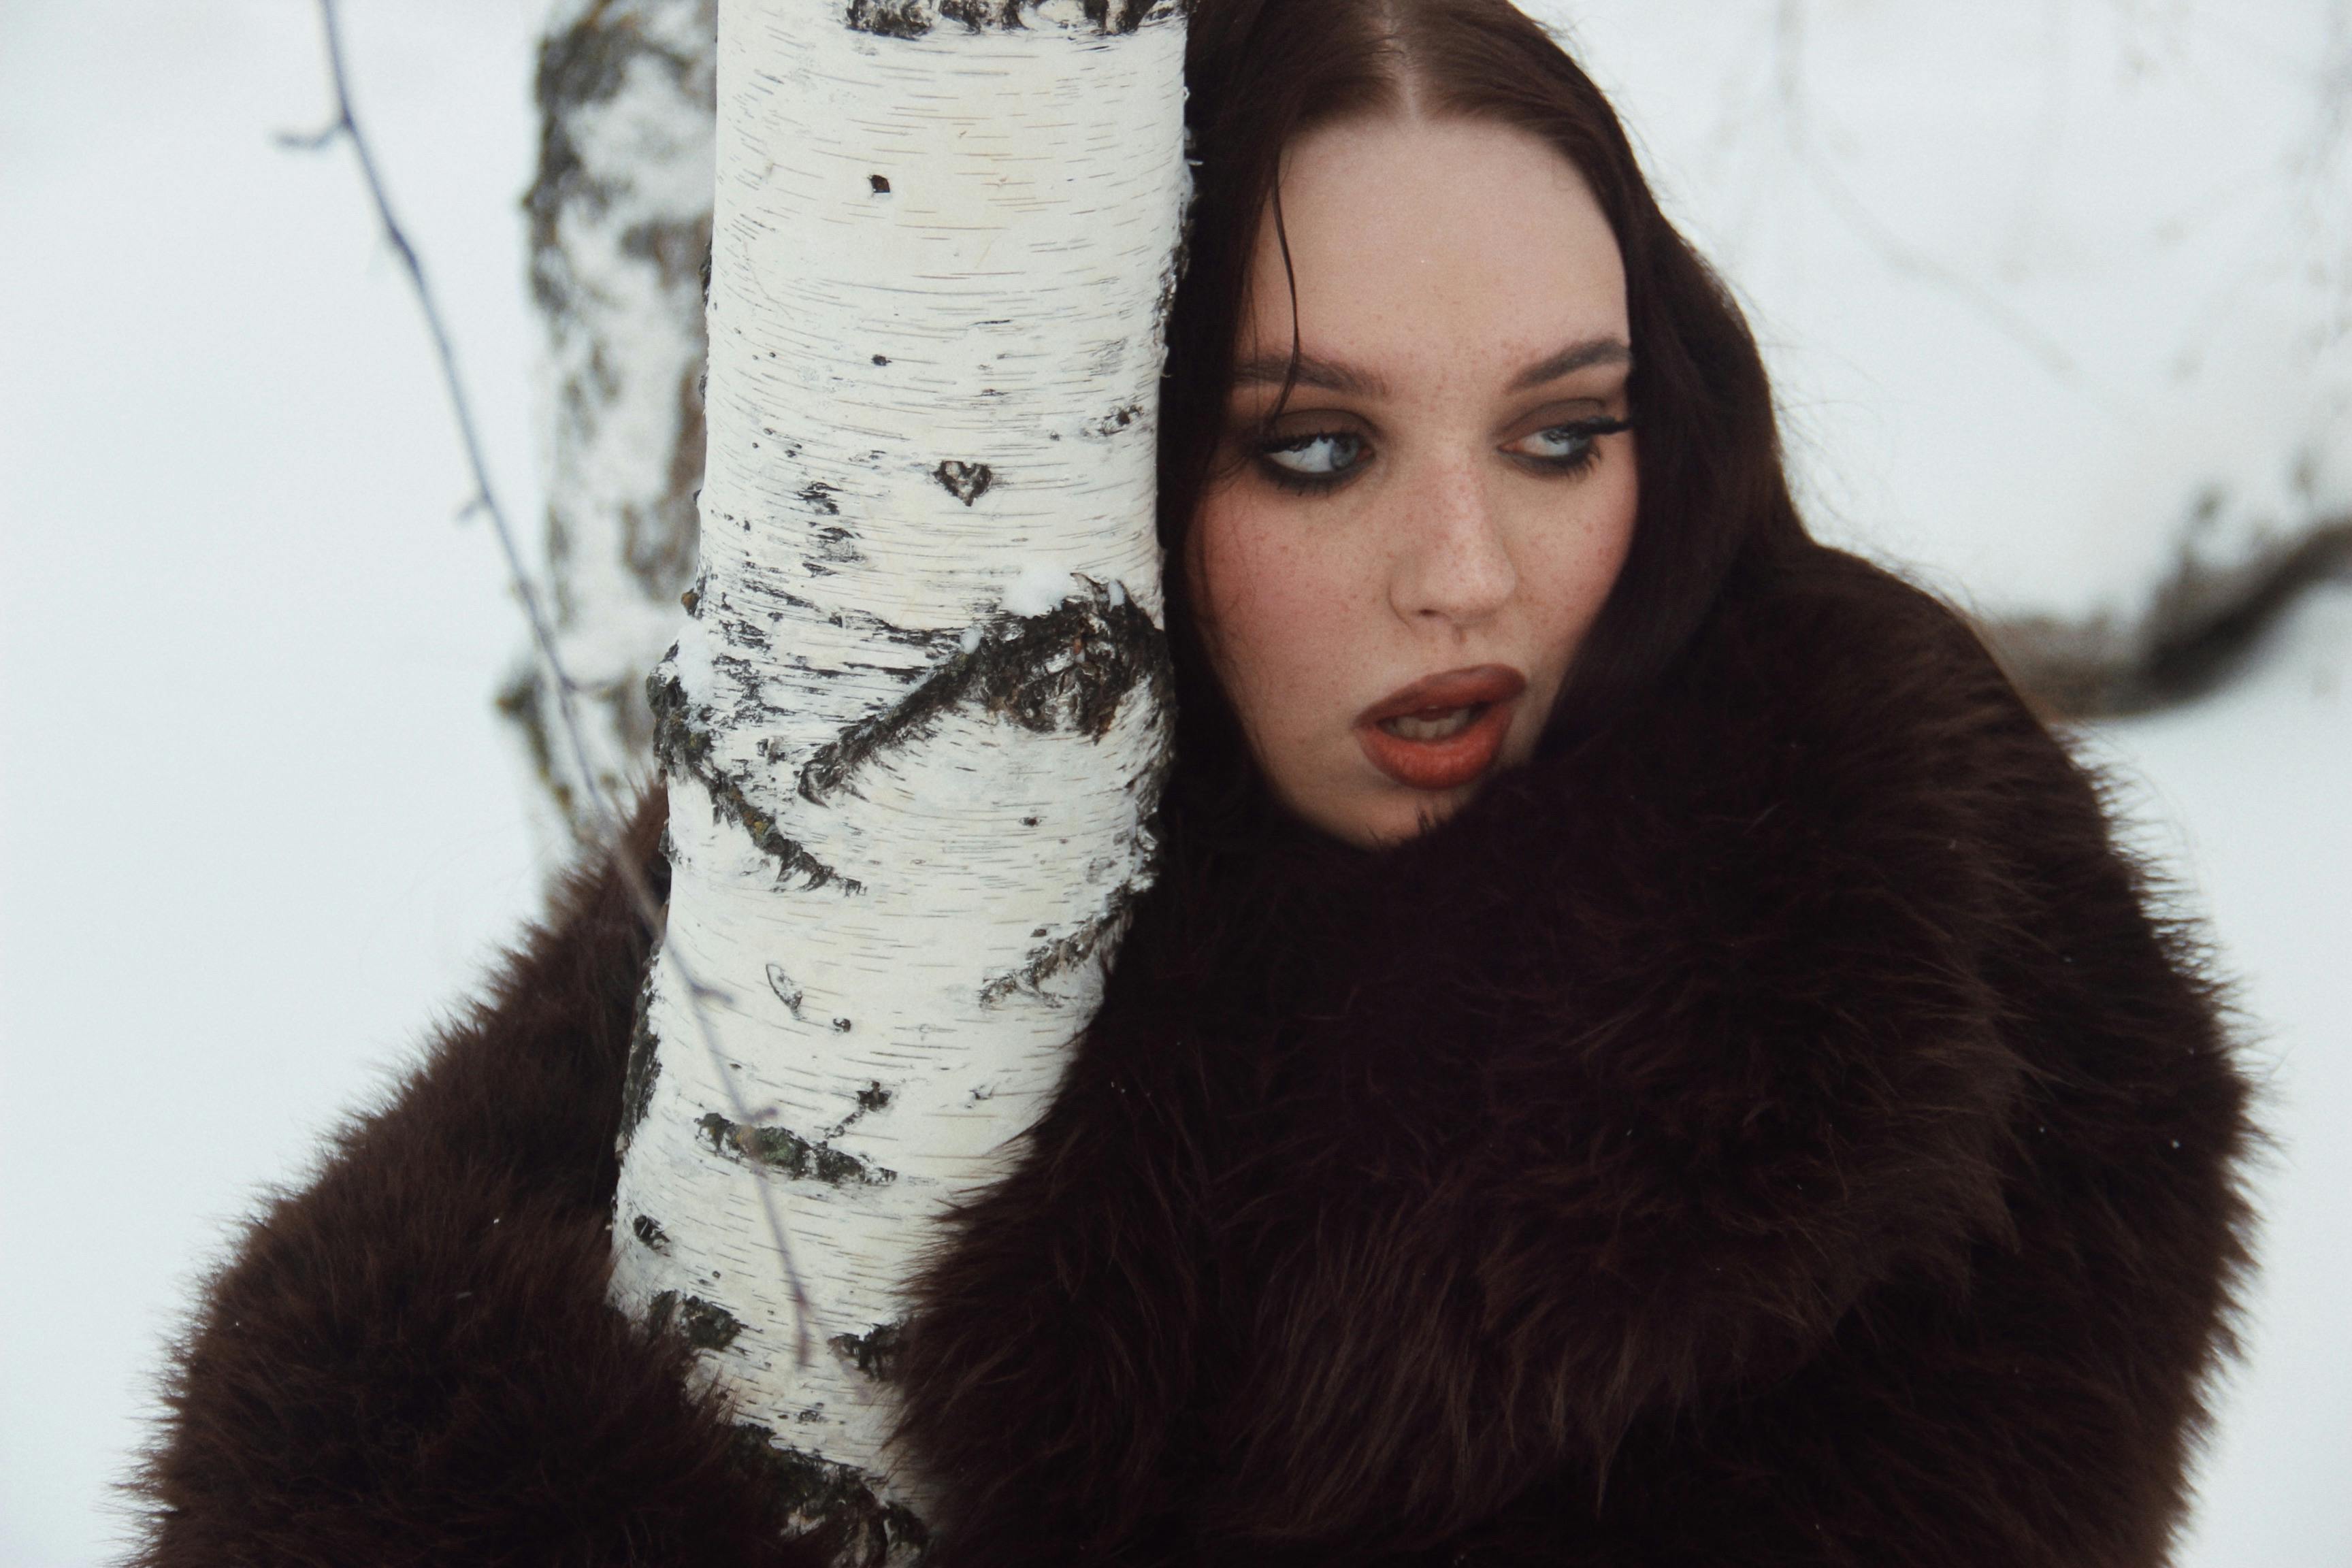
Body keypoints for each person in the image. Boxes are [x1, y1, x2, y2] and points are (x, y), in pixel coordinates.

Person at [135, 0, 2253, 1563]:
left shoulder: (1929, 930)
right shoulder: (888, 837)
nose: (1465, 580)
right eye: (1314, 448)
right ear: (1122, 471)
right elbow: (343, 1398)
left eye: (1560, 433)